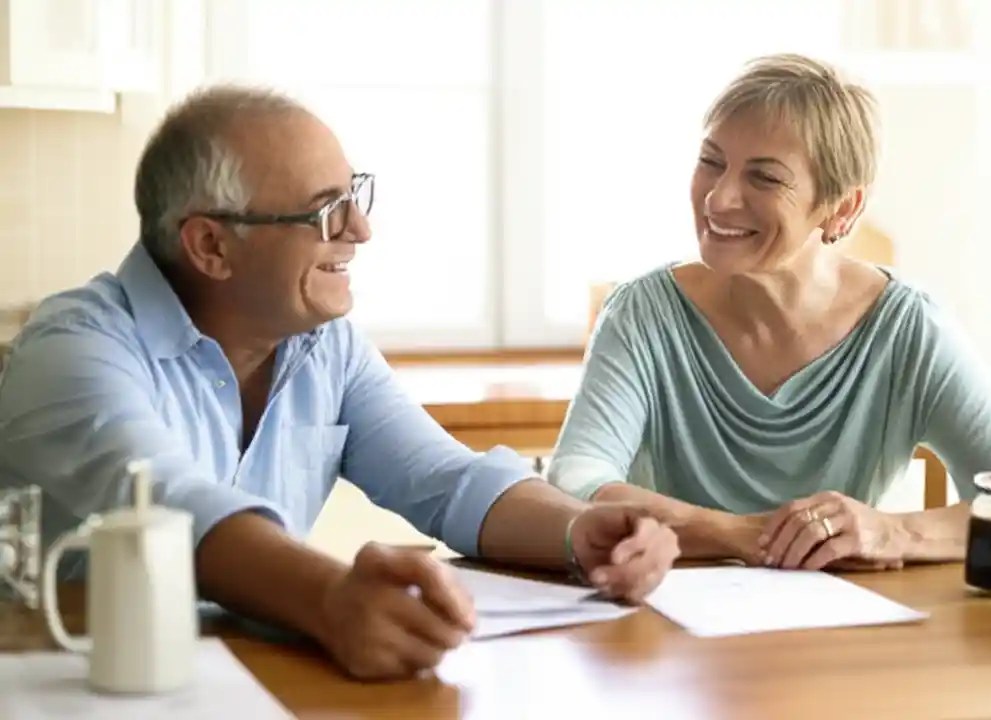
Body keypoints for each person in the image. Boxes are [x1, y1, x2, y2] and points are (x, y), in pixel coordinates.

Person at [0, 85, 678, 680]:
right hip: (82, 687)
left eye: (355, 196)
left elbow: (447, 480)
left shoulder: (325, 347)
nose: (361, 228)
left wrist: (580, 530)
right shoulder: (73, 350)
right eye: (326, 210)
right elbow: (172, 510)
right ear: (210, 246)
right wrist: (330, 598)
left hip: (244, 678)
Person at [546, 53, 991, 572]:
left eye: (764, 178)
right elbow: (573, 482)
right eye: (712, 162)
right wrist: (741, 535)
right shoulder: (644, 313)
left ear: (842, 208)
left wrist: (890, 531)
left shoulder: (905, 329)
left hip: (850, 645)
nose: (719, 198)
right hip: (672, 640)